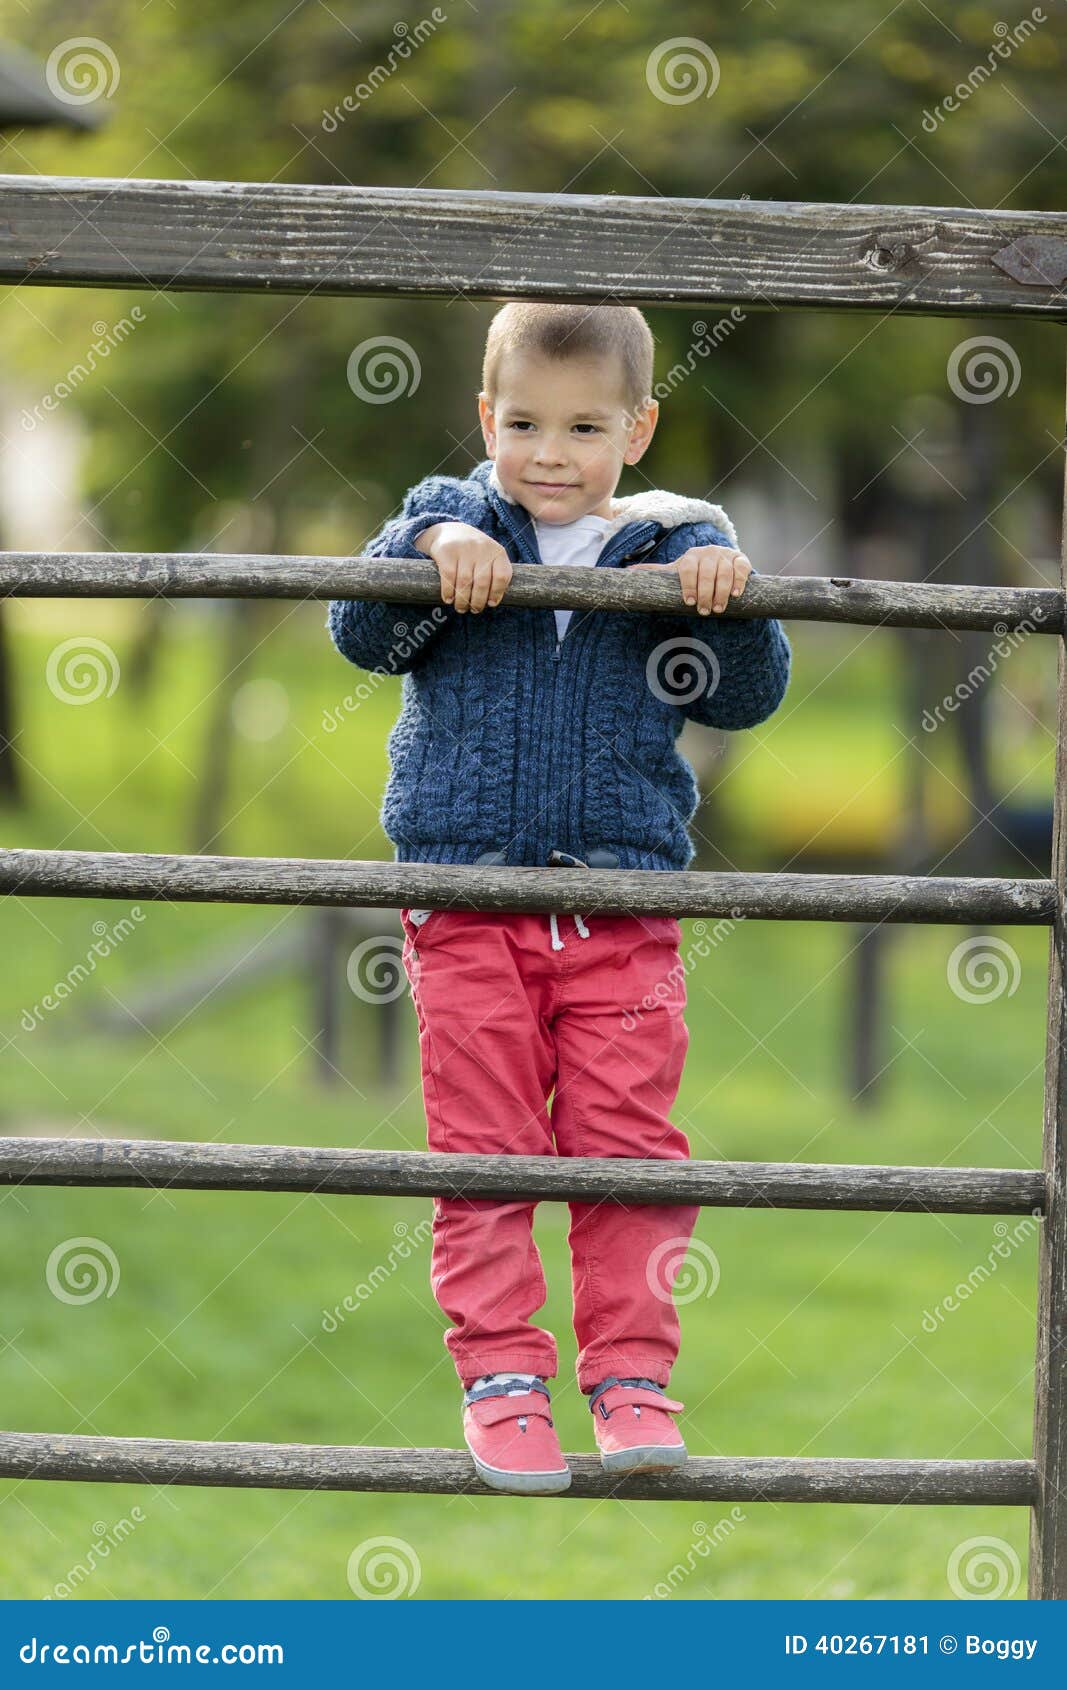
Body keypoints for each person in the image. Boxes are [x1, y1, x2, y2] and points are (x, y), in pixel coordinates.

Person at [326, 301, 791, 1494]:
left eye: (584, 426)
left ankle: (631, 1375)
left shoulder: (675, 539)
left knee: (628, 1147)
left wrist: (721, 598)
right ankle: (500, 1379)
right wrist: (424, 557)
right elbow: (359, 635)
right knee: (484, 1146)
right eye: (523, 421)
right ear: (486, 418)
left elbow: (745, 696)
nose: (548, 452)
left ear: (636, 429)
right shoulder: (448, 516)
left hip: (620, 908)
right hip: (467, 901)